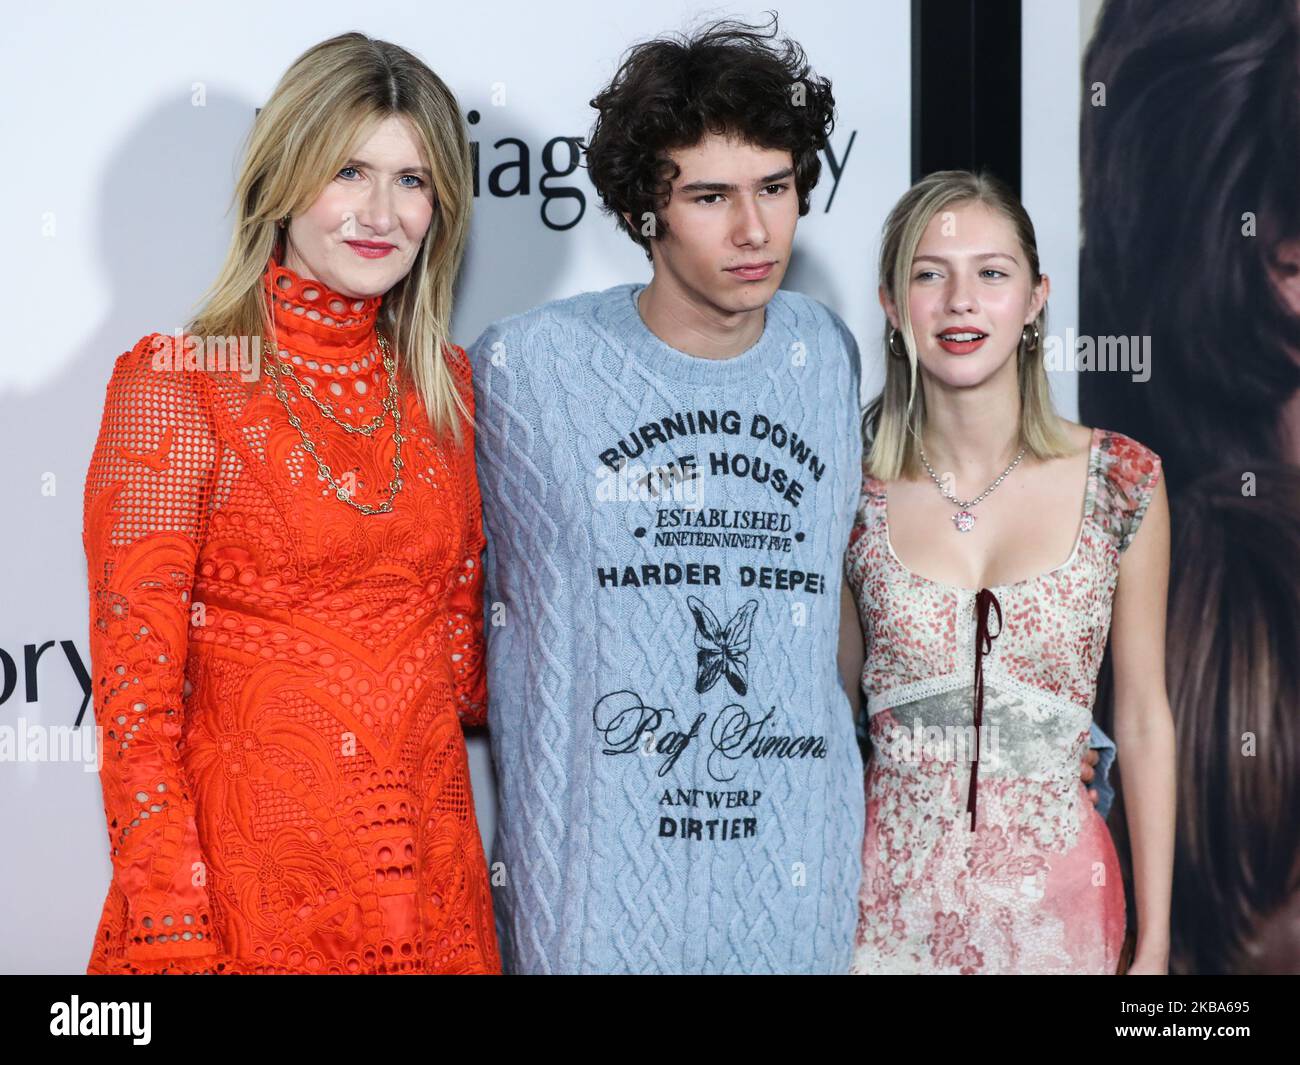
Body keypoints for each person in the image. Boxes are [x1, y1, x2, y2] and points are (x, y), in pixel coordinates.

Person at [467, 18, 1113, 974]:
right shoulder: (528, 370)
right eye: (710, 197)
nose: (755, 230)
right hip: (594, 919)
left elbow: (916, 553)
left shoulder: (823, 355)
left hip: (799, 916)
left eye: (774, 187)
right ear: (646, 208)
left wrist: (1045, 729)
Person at [81, 32, 498, 974]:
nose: (381, 214)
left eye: (412, 180)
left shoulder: (446, 388)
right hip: (245, 903)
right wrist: (171, 926)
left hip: (434, 901)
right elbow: (136, 709)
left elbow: (464, 674)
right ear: (282, 179)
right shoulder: (179, 382)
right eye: (349, 171)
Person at [842, 169, 1175, 974]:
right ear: (893, 306)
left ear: (1034, 300)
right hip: (880, 919)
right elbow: (829, 719)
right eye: (930, 274)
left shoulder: (1122, 480)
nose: (961, 302)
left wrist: (1159, 942)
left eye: (992, 273)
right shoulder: (849, 488)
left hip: (1062, 917)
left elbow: (1142, 716)